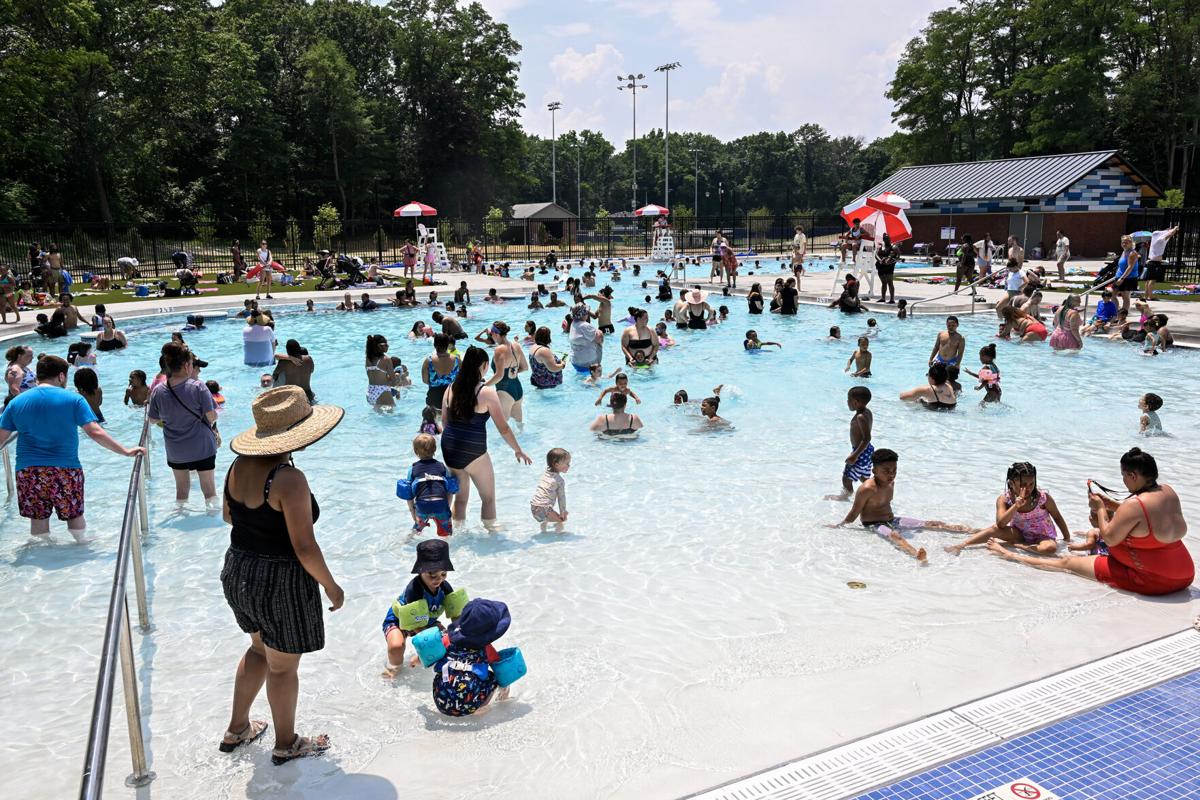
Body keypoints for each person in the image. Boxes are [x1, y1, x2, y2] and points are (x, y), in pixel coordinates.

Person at [218, 386, 344, 763]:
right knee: (283, 668)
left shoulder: (237, 466)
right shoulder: (289, 479)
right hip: (281, 582)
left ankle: (237, 728)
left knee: (258, 650)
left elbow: (228, 515)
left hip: (239, 570)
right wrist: (331, 586)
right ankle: (287, 743)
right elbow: (304, 546)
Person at [986, 449, 1194, 596]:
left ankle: (1008, 554)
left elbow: (1111, 538)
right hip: (1185, 575)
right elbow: (1143, 516)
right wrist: (1111, 504)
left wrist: (1101, 508)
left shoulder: (1134, 505)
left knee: (1065, 563)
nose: (1123, 481)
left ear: (1132, 475)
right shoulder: (1168, 491)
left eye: (1124, 476)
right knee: (1092, 535)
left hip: (1152, 580)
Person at [0, 355, 144, 541]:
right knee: (75, 518)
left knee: (38, 522)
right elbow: (95, 432)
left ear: (38, 377)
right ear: (61, 376)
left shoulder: (17, 402)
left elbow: (1, 437)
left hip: (28, 471)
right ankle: (82, 549)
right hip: (65, 469)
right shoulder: (74, 399)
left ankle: (43, 561)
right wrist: (125, 451)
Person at [440, 346, 531, 530]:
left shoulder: (450, 389)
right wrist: (518, 450)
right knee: (488, 498)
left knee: (461, 498)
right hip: (474, 451)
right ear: (485, 366)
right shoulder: (486, 392)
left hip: (450, 448)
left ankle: (458, 534)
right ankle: (492, 534)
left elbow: (444, 422)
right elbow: (503, 428)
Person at [835, 449, 970, 562]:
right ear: (874, 470)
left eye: (894, 470)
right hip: (874, 524)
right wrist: (839, 526)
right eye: (886, 470)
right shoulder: (867, 489)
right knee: (895, 536)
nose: (891, 474)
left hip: (892, 520)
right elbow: (854, 512)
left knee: (933, 523)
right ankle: (916, 554)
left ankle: (972, 531)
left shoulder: (890, 483)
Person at [148, 342, 220, 511]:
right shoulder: (198, 386)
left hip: (176, 450)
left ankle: (181, 513)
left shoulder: (158, 390)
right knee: (209, 489)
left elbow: (152, 420)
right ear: (187, 365)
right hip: (202, 446)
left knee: (181, 489)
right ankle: (212, 517)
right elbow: (211, 416)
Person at [945, 463, 1070, 556]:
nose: (1028, 488)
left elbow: (1057, 517)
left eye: (1031, 484)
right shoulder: (1004, 499)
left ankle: (1015, 545)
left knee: (1050, 549)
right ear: (1011, 483)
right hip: (1018, 533)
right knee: (994, 529)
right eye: (1022, 485)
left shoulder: (1042, 498)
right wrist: (1015, 506)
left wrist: (1067, 539)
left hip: (1043, 536)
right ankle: (962, 545)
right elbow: (1000, 524)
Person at [382, 539, 462, 676]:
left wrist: (460, 633)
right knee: (396, 646)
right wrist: (432, 643)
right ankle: (392, 669)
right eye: (432, 575)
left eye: (443, 574)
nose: (438, 579)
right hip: (399, 622)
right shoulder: (414, 589)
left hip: (427, 621)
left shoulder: (445, 587)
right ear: (420, 571)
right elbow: (415, 625)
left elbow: (456, 615)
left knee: (448, 641)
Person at [398, 434, 459, 538]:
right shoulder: (442, 466)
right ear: (435, 449)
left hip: (422, 506)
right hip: (441, 505)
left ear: (415, 451)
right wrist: (446, 509)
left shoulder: (413, 469)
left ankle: (407, 541)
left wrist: (414, 515)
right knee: (447, 534)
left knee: (416, 530)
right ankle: (448, 548)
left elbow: (409, 495)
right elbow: (450, 490)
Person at [481, 321, 528, 423]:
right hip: (517, 388)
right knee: (519, 426)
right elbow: (525, 367)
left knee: (502, 428)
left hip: (505, 390)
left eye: (491, 334)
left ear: (496, 334)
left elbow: (499, 376)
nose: (490, 336)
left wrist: (483, 386)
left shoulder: (499, 349)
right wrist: (512, 372)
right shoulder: (516, 345)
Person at [530, 448, 570, 531]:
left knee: (545, 520)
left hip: (533, 507)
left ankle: (543, 532)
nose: (569, 465)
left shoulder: (545, 474)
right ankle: (560, 538)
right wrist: (563, 512)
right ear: (556, 464)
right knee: (561, 520)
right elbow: (561, 498)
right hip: (545, 509)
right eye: (567, 463)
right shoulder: (559, 481)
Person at [422, 334, 460, 414]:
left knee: (436, 423)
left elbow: (425, 380)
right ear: (447, 344)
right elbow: (461, 379)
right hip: (452, 396)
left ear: (434, 345)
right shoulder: (457, 359)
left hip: (434, 397)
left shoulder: (429, 361)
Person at [365, 334, 403, 410]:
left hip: (370, 391)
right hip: (383, 391)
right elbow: (393, 382)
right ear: (379, 346)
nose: (388, 346)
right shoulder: (386, 359)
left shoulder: (368, 359)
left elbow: (376, 376)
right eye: (385, 344)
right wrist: (398, 377)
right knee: (392, 417)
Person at [1141, 226, 1179, 301]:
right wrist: (1175, 228)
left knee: (1148, 280)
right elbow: (1170, 234)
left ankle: (1146, 296)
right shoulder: (1160, 240)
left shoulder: (1155, 240)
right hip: (1154, 263)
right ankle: (1150, 296)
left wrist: (1170, 230)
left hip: (1151, 262)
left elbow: (1167, 233)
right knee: (1152, 280)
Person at [568, 303, 603, 372]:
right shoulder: (585, 326)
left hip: (575, 361)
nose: (587, 314)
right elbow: (599, 339)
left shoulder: (573, 323)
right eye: (586, 312)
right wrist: (599, 332)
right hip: (588, 364)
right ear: (583, 314)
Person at [1113, 234, 1140, 316]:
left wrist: (1122, 278)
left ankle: (1122, 316)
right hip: (1119, 276)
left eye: (1126, 242)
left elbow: (1130, 267)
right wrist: (1117, 276)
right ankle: (1116, 313)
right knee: (1112, 295)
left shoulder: (1132, 253)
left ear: (1131, 243)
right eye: (1123, 242)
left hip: (1128, 278)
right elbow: (1121, 266)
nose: (1124, 244)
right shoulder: (1124, 251)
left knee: (1125, 297)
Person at [874, 233, 897, 302]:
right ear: (883, 239)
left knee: (890, 282)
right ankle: (883, 298)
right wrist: (880, 260)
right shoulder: (880, 246)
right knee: (883, 282)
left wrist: (890, 260)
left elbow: (897, 256)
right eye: (885, 239)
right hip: (880, 266)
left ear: (890, 239)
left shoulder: (893, 247)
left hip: (889, 266)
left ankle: (892, 299)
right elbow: (876, 254)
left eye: (888, 238)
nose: (887, 240)